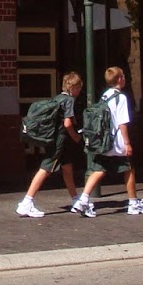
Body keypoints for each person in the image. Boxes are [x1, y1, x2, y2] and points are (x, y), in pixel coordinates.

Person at [70, 66, 143, 216]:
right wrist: (127, 143)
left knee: (98, 169)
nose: (125, 79)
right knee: (128, 169)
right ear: (119, 79)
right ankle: (133, 203)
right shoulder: (121, 97)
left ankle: (83, 200)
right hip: (117, 141)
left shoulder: (105, 96)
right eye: (124, 77)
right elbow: (122, 123)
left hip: (104, 141)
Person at [15, 71, 84, 218]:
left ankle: (75, 200)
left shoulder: (58, 98)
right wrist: (76, 137)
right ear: (74, 87)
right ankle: (26, 202)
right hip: (59, 141)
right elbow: (67, 124)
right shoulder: (69, 101)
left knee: (67, 168)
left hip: (57, 140)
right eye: (79, 87)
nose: (80, 91)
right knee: (45, 169)